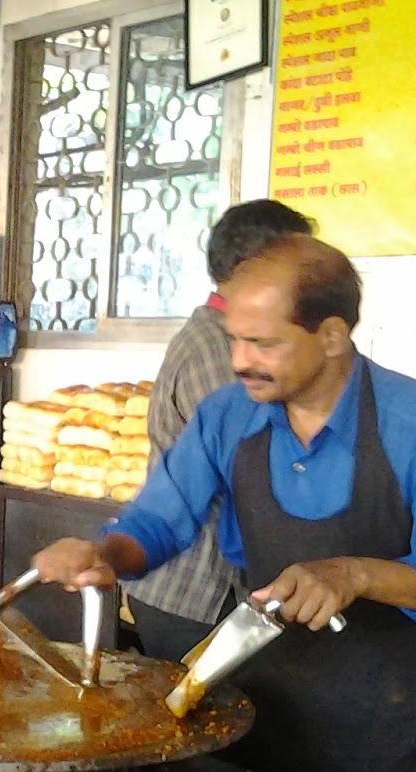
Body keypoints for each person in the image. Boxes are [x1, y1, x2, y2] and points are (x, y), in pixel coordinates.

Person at [32, 235, 416, 772]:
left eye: (264, 343)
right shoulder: (229, 415)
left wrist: (352, 574)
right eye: (235, 339)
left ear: (331, 336)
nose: (239, 360)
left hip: (396, 733)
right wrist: (103, 556)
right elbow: (157, 522)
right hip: (272, 709)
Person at [124, 201, 314, 663]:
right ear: (253, 268)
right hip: (194, 593)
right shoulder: (219, 351)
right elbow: (253, 471)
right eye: (300, 264)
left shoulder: (230, 341)